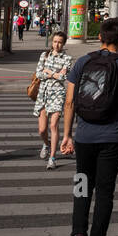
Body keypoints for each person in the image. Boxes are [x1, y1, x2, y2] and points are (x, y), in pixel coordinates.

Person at [61, 17, 118, 236]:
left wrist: (66, 135)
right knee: (105, 192)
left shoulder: (83, 61)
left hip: (84, 137)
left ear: (100, 38)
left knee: (82, 185)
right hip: (113, 138)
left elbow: (70, 102)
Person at [33, 30, 72, 170]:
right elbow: (38, 73)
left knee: (53, 125)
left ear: (63, 44)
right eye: (55, 42)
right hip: (43, 93)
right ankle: (46, 144)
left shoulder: (67, 59)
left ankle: (52, 158)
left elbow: (63, 78)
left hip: (58, 93)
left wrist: (49, 72)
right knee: (42, 129)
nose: (57, 45)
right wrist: (55, 74)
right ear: (52, 42)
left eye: (60, 42)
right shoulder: (44, 55)